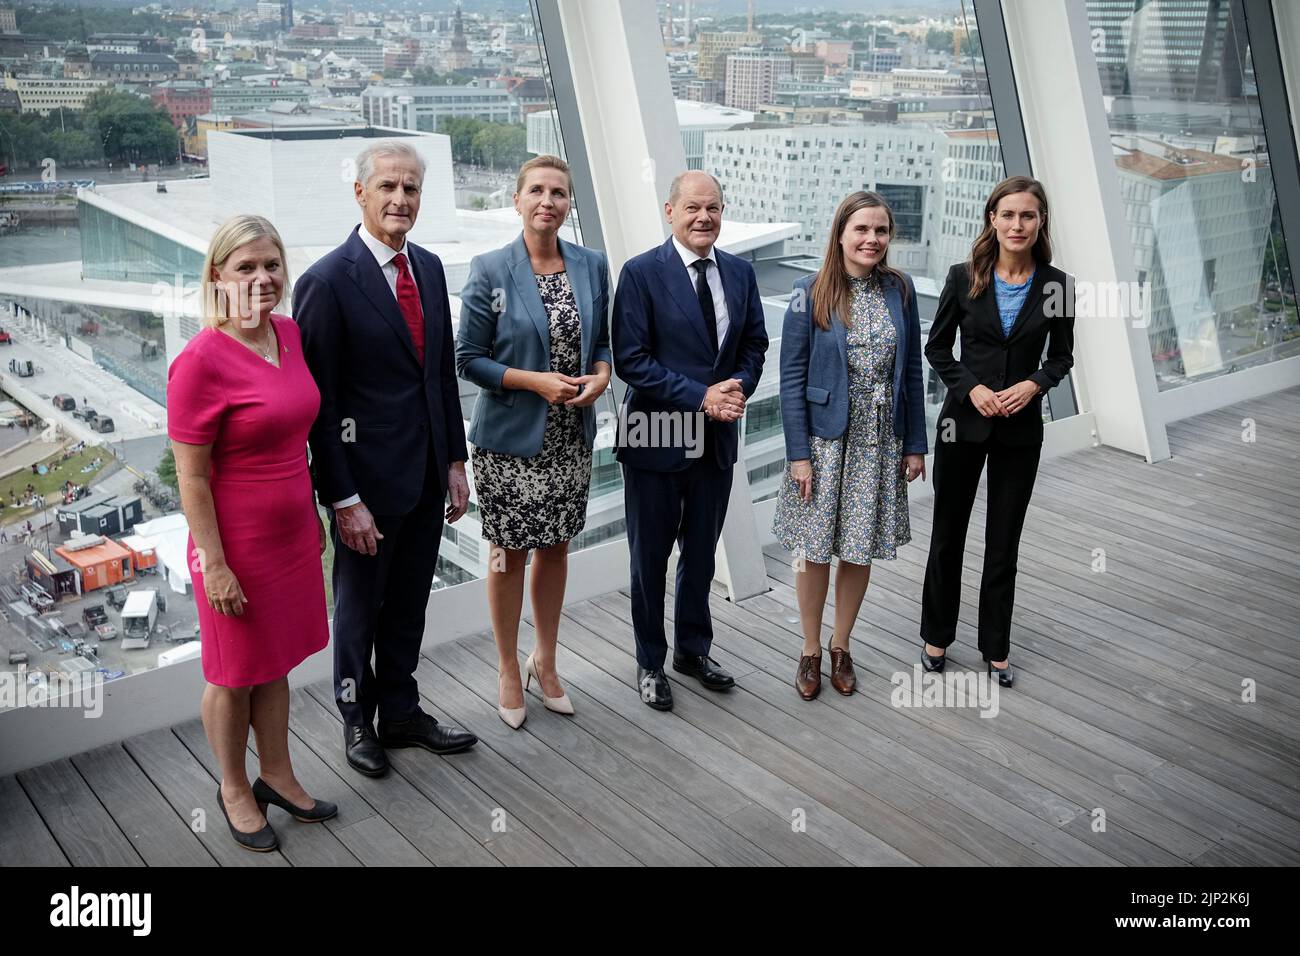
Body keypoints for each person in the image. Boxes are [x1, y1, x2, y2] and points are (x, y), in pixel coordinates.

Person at [294, 139, 477, 776]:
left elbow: (440, 379)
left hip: (427, 477)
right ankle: (356, 720)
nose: (401, 200)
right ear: (361, 194)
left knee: (408, 604)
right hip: (365, 489)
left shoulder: (427, 267)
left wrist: (454, 462)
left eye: (412, 190)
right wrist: (343, 499)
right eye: (389, 188)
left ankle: (401, 711)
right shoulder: (323, 283)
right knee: (358, 610)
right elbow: (320, 405)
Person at [168, 214, 336, 853]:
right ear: (218, 277)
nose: (263, 278)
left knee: (273, 664)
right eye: (246, 267)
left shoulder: (289, 334)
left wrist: (315, 515)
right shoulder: (200, 362)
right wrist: (214, 561)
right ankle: (234, 787)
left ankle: (278, 774)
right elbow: (192, 479)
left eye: (271, 265)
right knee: (233, 672)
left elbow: (300, 436)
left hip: (292, 531)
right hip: (233, 544)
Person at [456, 156, 611, 728]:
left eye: (560, 193)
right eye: (538, 191)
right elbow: (467, 360)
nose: (549, 201)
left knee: (556, 548)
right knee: (507, 554)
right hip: (509, 443)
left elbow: (605, 343)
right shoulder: (491, 268)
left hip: (571, 437)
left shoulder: (592, 266)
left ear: (569, 204)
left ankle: (544, 660)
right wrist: (534, 382)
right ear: (517, 200)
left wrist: (600, 375)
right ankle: (504, 666)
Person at [612, 170, 768, 711]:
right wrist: (702, 395)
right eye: (693, 208)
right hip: (655, 432)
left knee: (701, 554)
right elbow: (631, 360)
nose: (704, 217)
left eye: (714, 208)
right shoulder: (640, 273)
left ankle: (692, 652)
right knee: (649, 559)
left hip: (716, 435)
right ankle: (650, 662)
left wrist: (735, 389)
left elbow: (755, 344)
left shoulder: (741, 273)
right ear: (670, 211)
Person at [920, 175, 1075, 688]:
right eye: (1008, 215)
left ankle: (996, 648)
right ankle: (937, 636)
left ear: (1040, 222)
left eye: (1027, 216)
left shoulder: (1056, 285)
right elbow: (938, 349)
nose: (1017, 224)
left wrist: (1033, 386)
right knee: (948, 536)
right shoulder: (963, 278)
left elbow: (1061, 358)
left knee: (1003, 541)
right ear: (992, 219)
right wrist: (972, 390)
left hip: (1019, 431)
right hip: (961, 426)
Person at [772, 191, 928, 700]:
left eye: (881, 231)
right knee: (814, 551)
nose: (871, 239)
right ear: (840, 233)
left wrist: (915, 444)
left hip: (879, 440)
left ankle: (843, 646)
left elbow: (911, 375)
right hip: (824, 442)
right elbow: (791, 379)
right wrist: (798, 454)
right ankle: (811, 651)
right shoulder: (809, 291)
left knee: (858, 549)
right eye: (861, 229)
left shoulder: (899, 290)